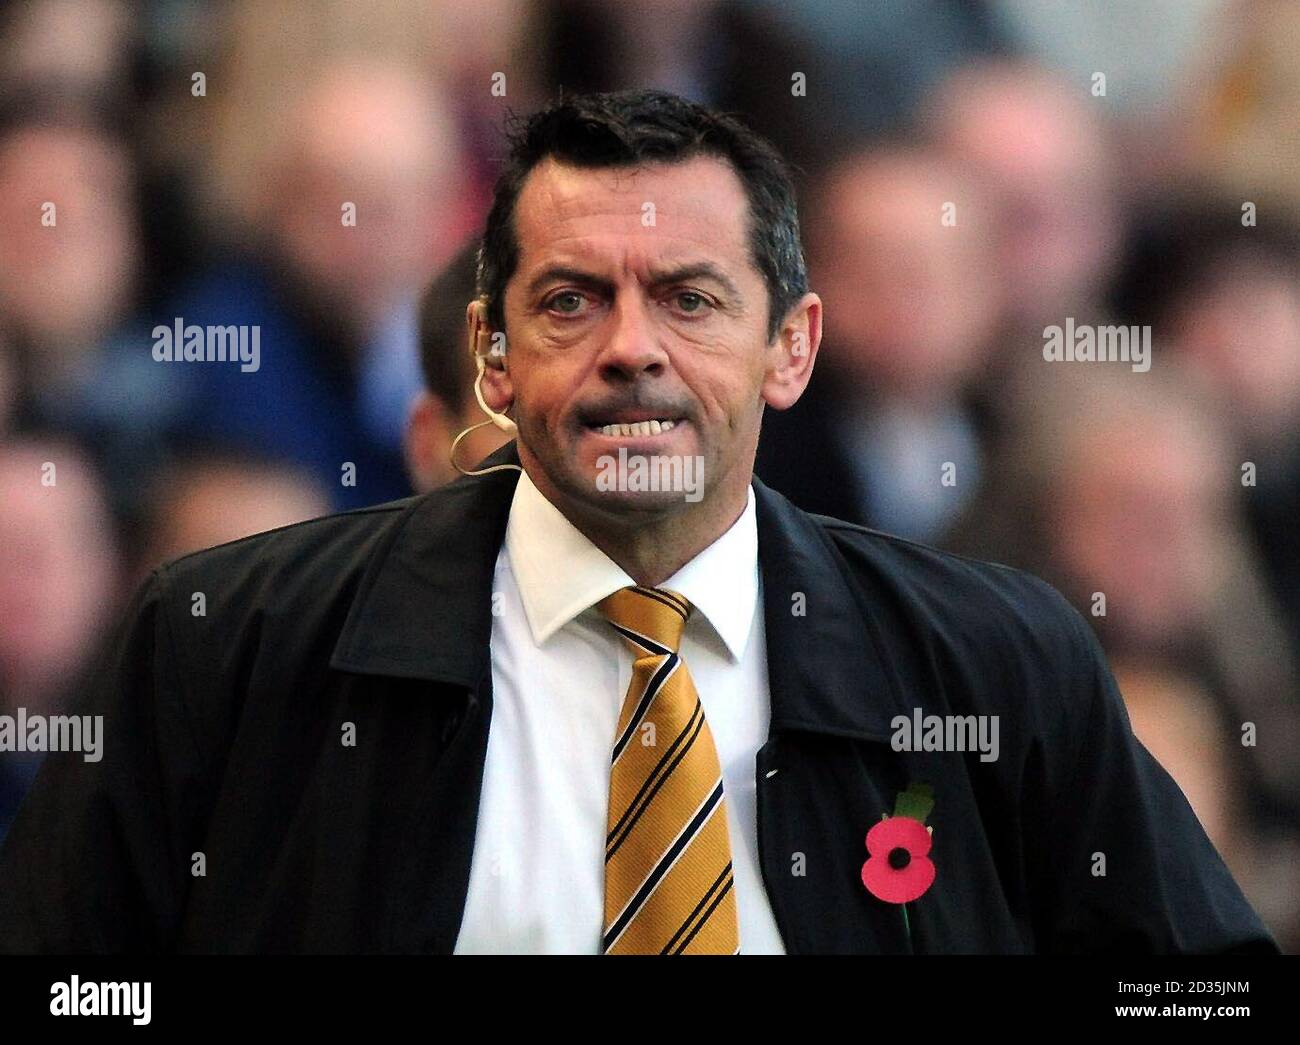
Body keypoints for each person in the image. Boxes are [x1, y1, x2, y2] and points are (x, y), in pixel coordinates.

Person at [0, 89, 1277, 954]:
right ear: (490, 360)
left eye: (689, 299)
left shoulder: (995, 663)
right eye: (568, 301)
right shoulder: (230, 644)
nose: (630, 351)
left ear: (791, 347)